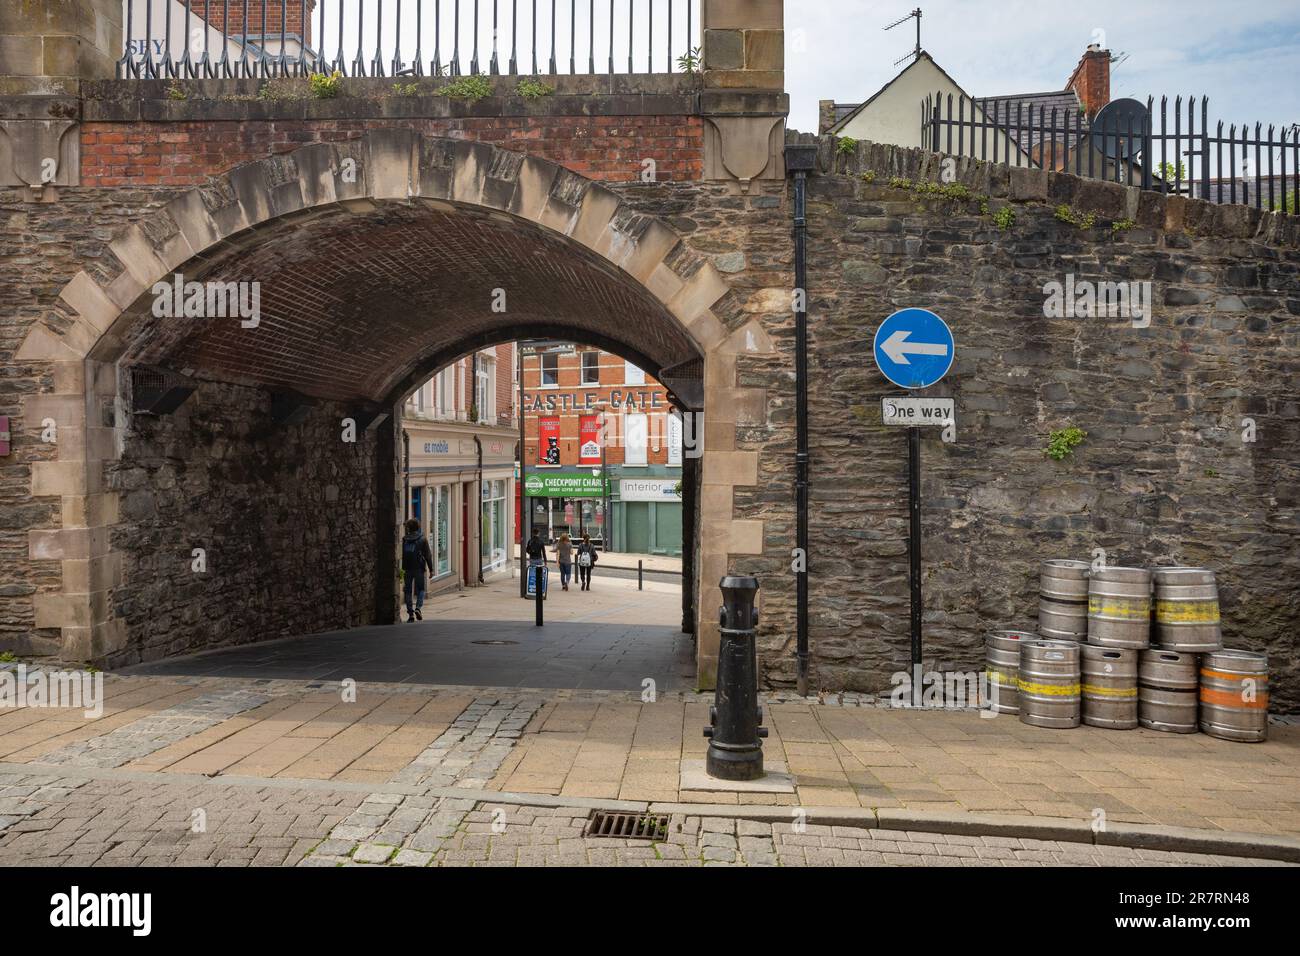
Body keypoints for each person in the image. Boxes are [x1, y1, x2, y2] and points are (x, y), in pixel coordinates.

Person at [400, 518, 434, 622]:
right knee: (421, 589)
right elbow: (428, 555)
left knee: (408, 591)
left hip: (407, 568)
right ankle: (418, 608)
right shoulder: (422, 539)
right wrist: (431, 569)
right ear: (418, 527)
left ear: (409, 528)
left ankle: (410, 614)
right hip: (419, 568)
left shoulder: (404, 539)